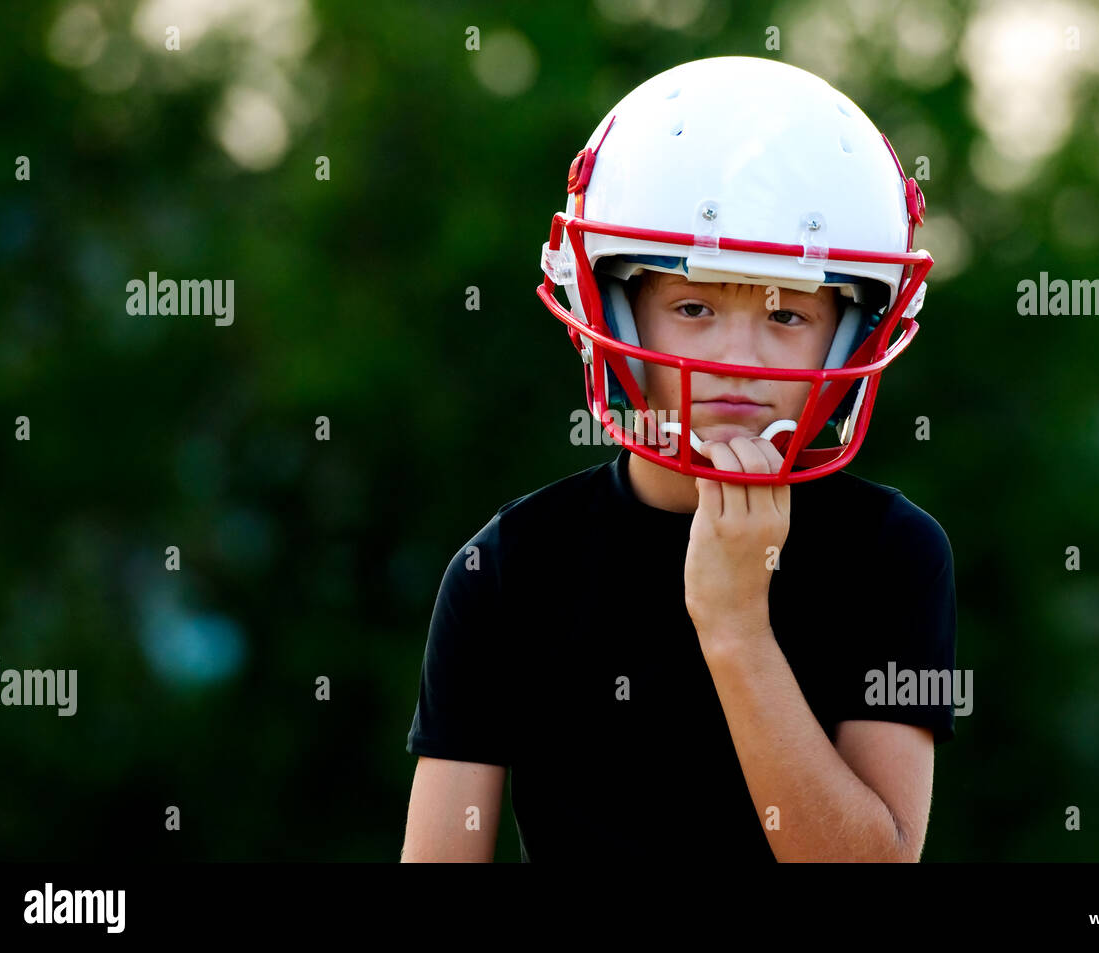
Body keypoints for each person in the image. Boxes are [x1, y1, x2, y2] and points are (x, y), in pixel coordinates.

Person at [402, 56, 953, 862]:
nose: (739, 356)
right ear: (618, 316)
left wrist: (735, 627)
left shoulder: (891, 553)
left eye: (789, 314)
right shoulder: (509, 567)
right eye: (693, 307)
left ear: (850, 330)